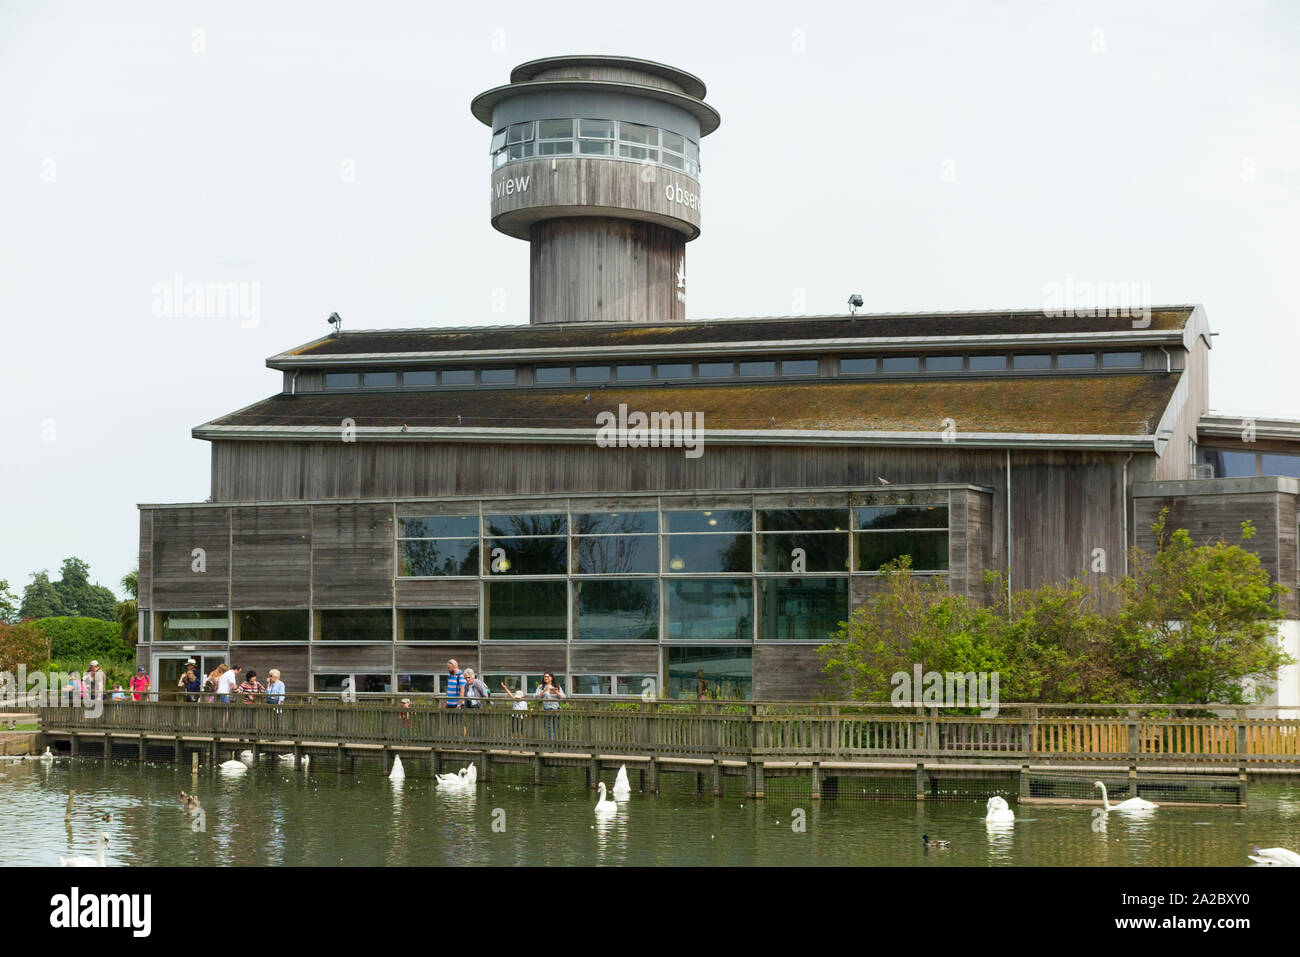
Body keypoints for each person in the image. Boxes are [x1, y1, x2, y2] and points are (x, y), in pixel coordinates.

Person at [534, 672, 565, 740]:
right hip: (547, 709)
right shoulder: (541, 687)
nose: (545, 678)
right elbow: (536, 697)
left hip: (556, 709)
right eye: (545, 676)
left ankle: (554, 744)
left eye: (547, 676)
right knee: (548, 727)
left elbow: (563, 698)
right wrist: (544, 691)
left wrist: (557, 692)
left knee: (556, 727)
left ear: (551, 678)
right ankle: (551, 745)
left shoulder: (557, 686)